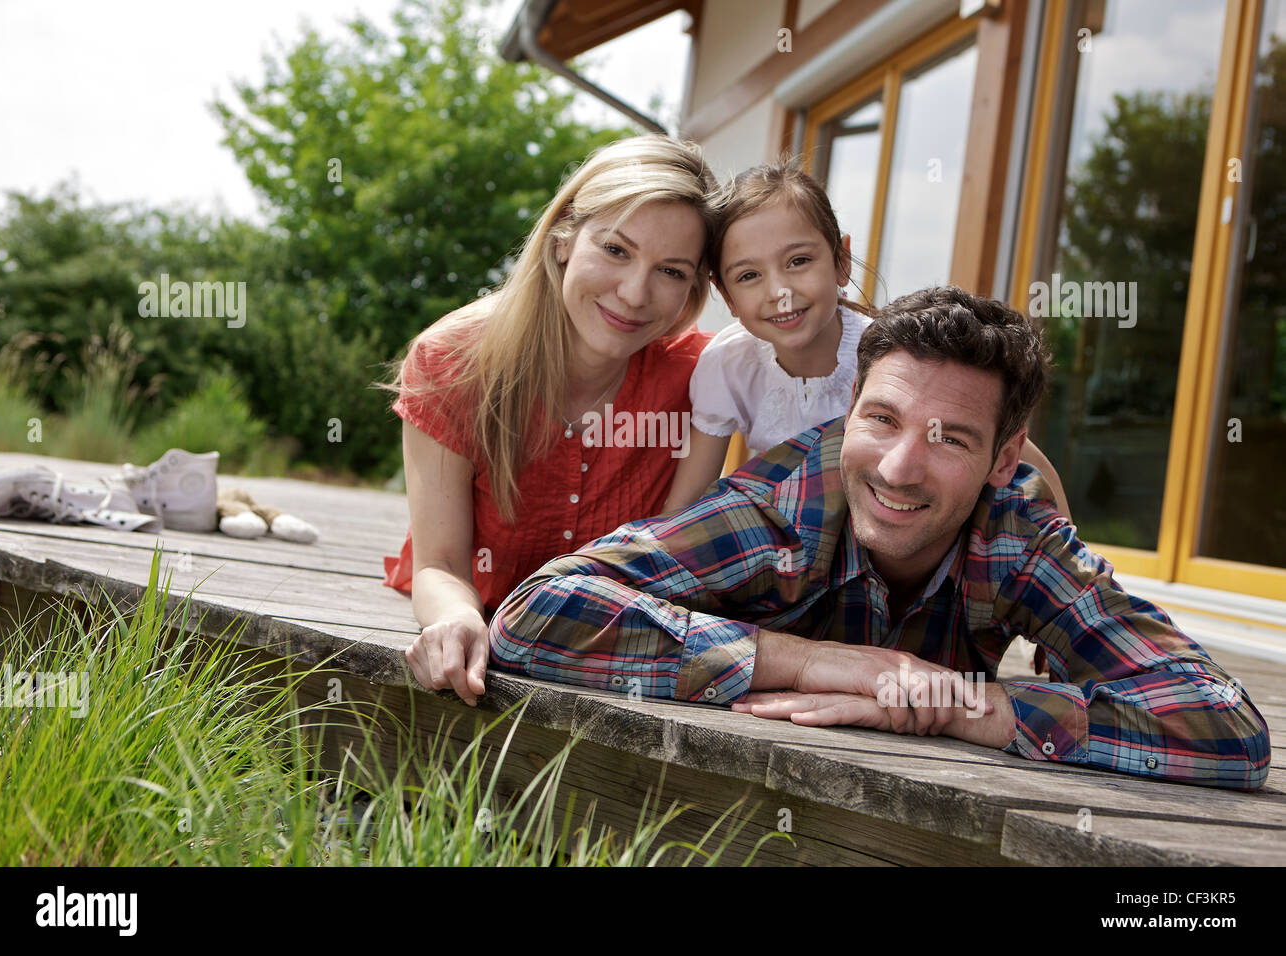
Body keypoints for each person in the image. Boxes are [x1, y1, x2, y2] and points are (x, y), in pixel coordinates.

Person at [488, 286, 1270, 790]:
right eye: (882, 419)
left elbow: (1226, 728)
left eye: (950, 440)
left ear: (1003, 459)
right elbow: (536, 615)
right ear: (850, 404)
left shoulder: (1019, 536)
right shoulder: (779, 507)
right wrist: (845, 666)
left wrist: (962, 705)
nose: (899, 469)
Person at [379, 135, 719, 708]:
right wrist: (457, 617)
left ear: (693, 287)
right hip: (482, 620)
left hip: (612, 650)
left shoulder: (704, 375)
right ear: (563, 238)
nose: (635, 293)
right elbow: (439, 564)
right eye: (615, 249)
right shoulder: (453, 360)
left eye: (670, 270)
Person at [661, 160, 1071, 518]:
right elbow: (689, 500)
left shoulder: (894, 356)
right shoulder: (728, 363)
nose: (779, 292)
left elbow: (1020, 456)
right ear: (726, 295)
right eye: (749, 276)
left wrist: (1070, 544)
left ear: (841, 262)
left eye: (799, 261)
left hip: (892, 532)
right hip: (789, 543)